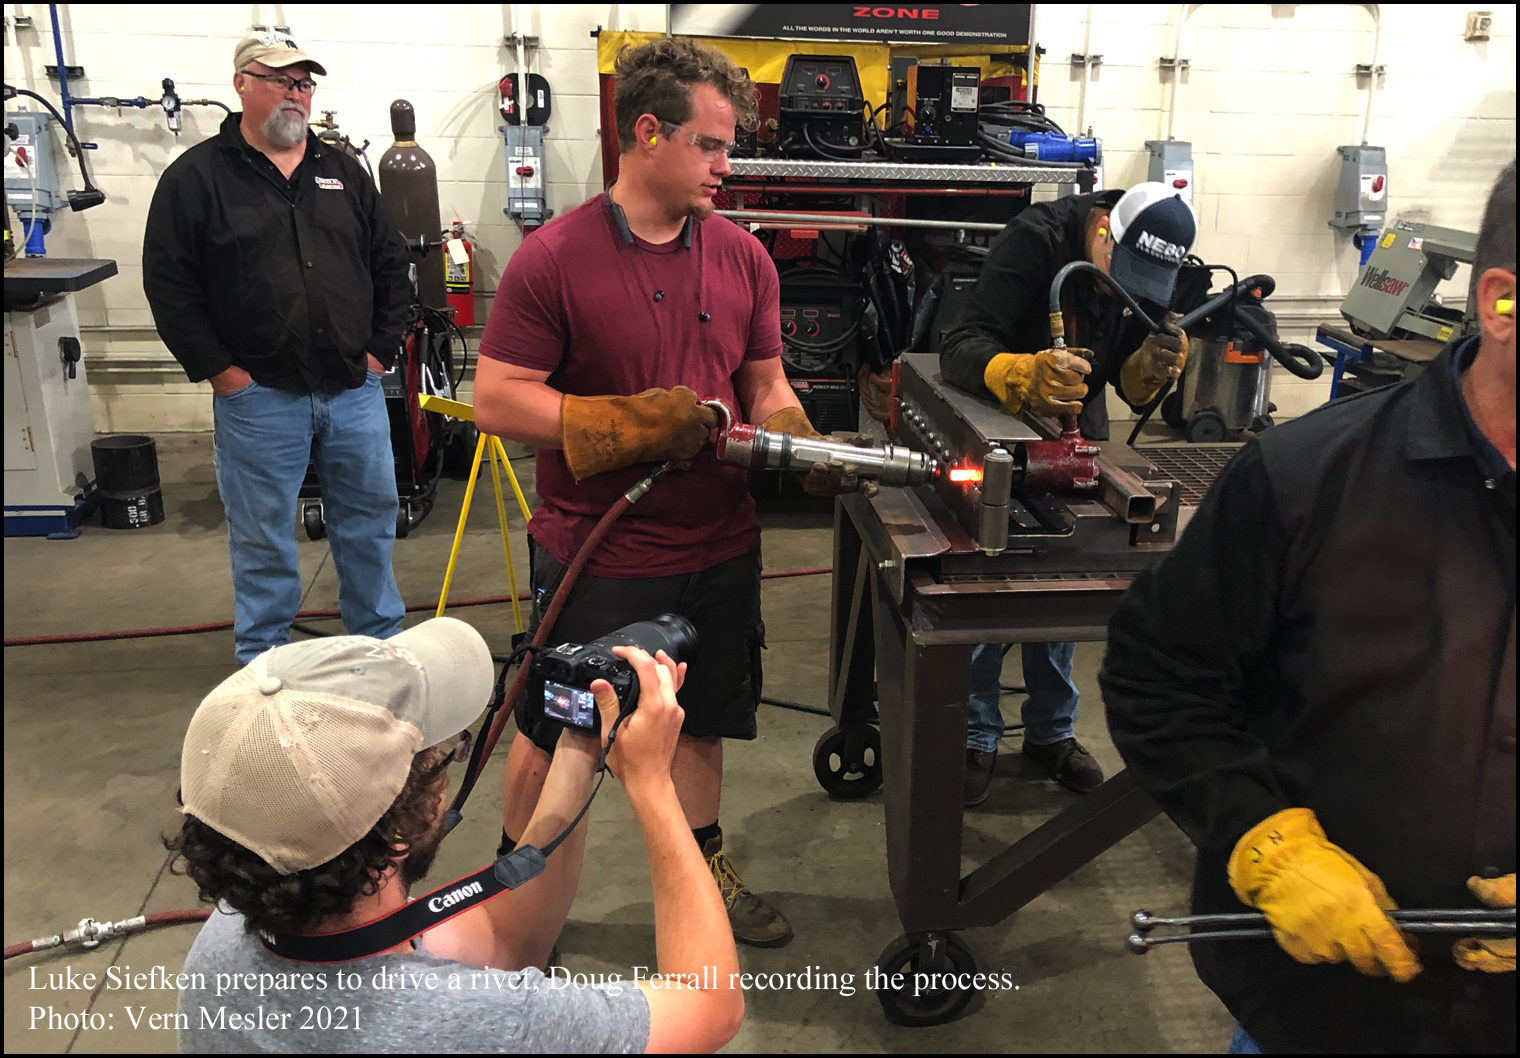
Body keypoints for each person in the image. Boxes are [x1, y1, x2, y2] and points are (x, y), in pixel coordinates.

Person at [1100, 160, 1516, 1053]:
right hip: (1325, 1011)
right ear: (1500, 303)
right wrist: (1265, 842)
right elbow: (1158, 681)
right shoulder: (1306, 481)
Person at [472, 39, 866, 949]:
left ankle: (702, 872)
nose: (728, 167)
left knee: (701, 719)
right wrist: (630, 426)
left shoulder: (742, 259)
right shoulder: (553, 259)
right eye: (711, 146)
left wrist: (796, 437)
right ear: (646, 133)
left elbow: (764, 380)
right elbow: (497, 399)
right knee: (554, 722)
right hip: (598, 547)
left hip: (719, 542)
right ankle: (513, 884)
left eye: (731, 148)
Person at [167, 617, 744, 1054]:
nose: (445, 763)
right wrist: (652, 785)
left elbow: (504, 940)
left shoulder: (228, 942)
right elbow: (710, 1006)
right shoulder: (469, 1021)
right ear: (402, 828)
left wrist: (578, 747)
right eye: (442, 757)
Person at [143, 32, 412, 665]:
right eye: (283, 81)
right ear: (242, 83)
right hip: (259, 396)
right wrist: (221, 373)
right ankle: (263, 663)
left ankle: (377, 648)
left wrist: (379, 352)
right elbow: (170, 283)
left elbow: (388, 261)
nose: (298, 95)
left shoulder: (342, 169)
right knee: (262, 537)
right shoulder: (197, 178)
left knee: (369, 522)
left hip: (352, 389)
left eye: (305, 83)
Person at [940, 183, 1196, 804]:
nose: (1119, 292)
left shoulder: (1158, 275)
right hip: (1000, 423)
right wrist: (1018, 371)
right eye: (1119, 273)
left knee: (1067, 570)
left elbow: (1129, 381)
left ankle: (1050, 734)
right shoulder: (1036, 239)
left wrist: (1146, 375)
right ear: (1103, 228)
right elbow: (959, 346)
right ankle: (974, 735)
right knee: (991, 576)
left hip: (1079, 424)